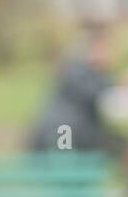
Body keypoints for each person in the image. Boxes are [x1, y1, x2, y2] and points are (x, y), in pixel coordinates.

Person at [28, 20, 123, 157]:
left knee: (117, 144)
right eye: (105, 48)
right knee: (68, 166)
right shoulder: (75, 69)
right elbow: (95, 91)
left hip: (73, 132)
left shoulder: (84, 69)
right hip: (63, 132)